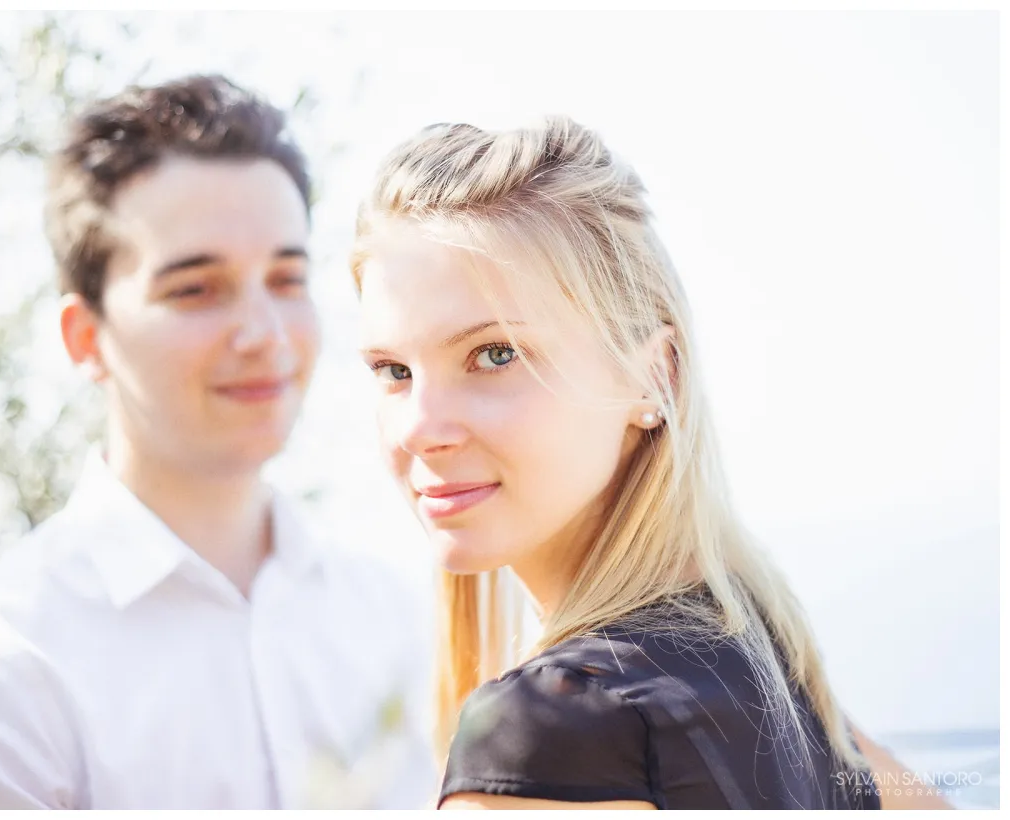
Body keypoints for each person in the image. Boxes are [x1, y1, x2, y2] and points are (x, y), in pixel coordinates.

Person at [0, 75, 436, 810]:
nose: (265, 335)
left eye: (287, 278)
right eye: (196, 289)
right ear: (86, 337)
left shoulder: (402, 624)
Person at [349, 118, 951, 810]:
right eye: (393, 370)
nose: (421, 429)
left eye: (495, 354)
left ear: (653, 377)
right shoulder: (767, 662)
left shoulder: (554, 733)